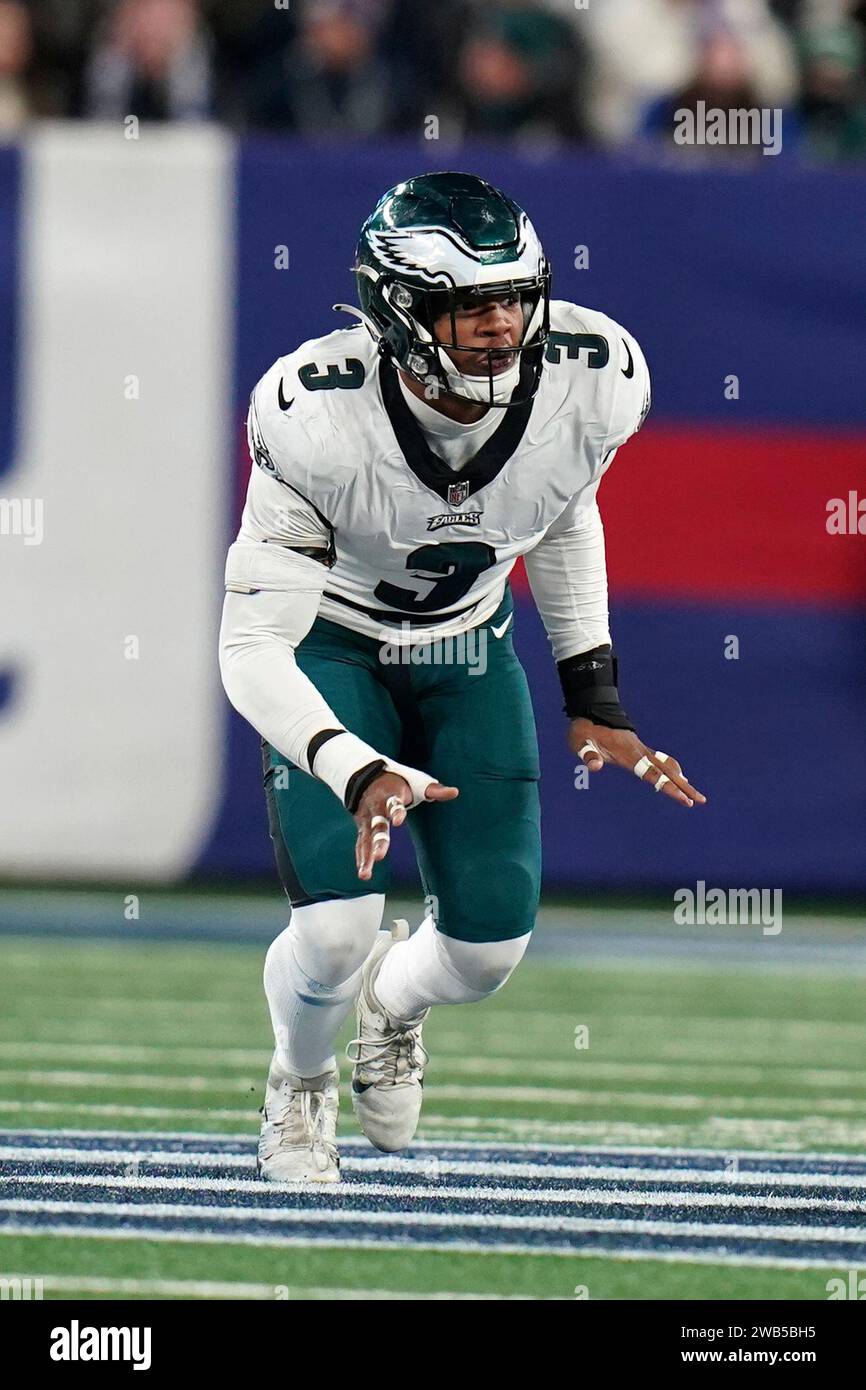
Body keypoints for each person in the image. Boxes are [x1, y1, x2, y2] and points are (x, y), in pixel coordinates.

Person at [218, 172, 706, 1183]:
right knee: (333, 930)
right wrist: (355, 770)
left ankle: (395, 1002)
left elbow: (561, 506)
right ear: (398, 312)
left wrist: (592, 687)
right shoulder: (316, 415)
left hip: (463, 646)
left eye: (511, 298)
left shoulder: (593, 376)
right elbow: (251, 646)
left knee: (485, 951)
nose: (496, 326)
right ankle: (297, 1081)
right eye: (464, 306)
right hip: (331, 644)